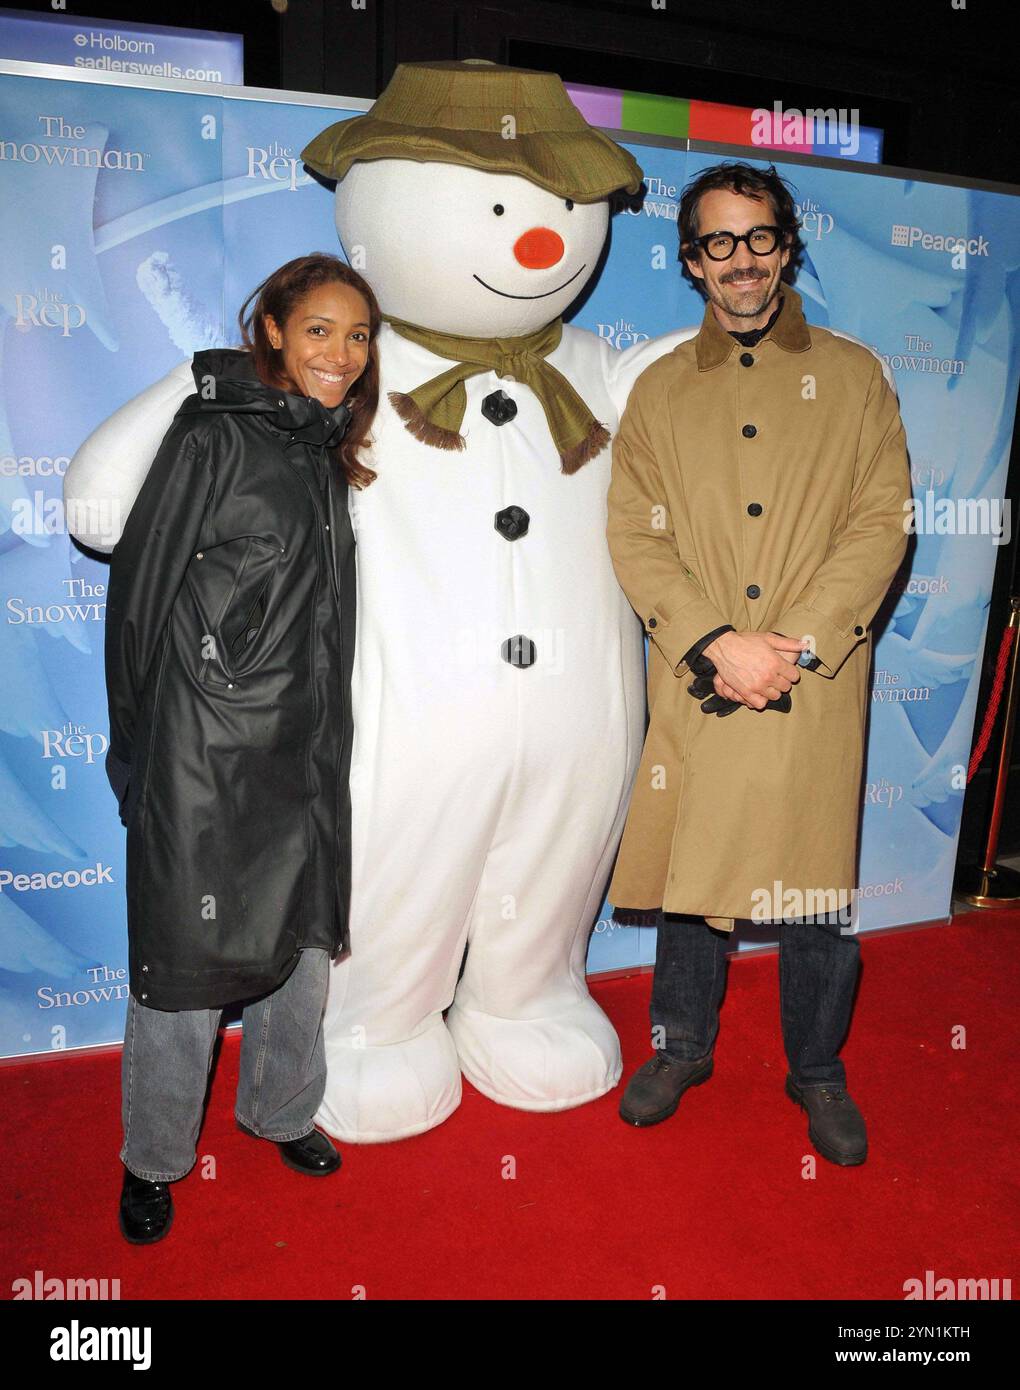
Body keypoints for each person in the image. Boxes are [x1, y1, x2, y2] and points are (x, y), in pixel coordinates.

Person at [606, 162, 911, 1165]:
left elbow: (881, 523)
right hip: (702, 675)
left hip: (811, 679)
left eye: (759, 237)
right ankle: (680, 1046)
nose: (741, 261)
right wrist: (715, 643)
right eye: (717, 243)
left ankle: (817, 1067)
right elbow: (637, 537)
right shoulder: (655, 390)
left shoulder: (857, 376)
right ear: (691, 259)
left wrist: (796, 642)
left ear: (788, 243)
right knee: (699, 877)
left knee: (814, 882)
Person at [105, 254, 381, 1242]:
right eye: (319, 331)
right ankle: (155, 1159)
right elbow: (136, 596)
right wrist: (135, 749)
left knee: (301, 947)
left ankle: (278, 1113)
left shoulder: (326, 445)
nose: (341, 355)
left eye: (357, 336)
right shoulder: (212, 436)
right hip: (202, 753)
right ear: (271, 330)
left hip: (301, 751)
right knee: (184, 967)